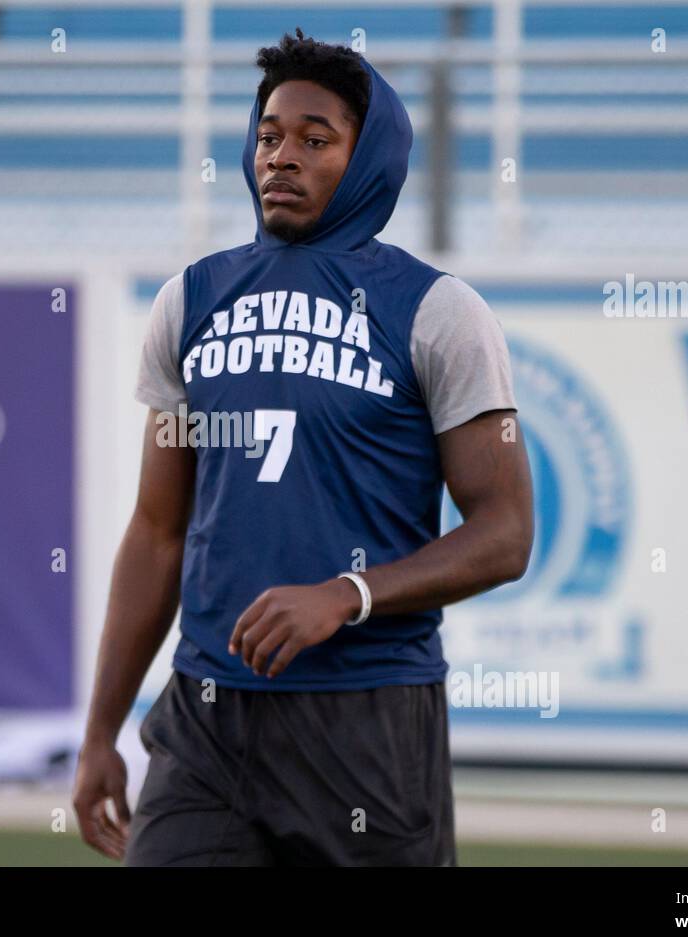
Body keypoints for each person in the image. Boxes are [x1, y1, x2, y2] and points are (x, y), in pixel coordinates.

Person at [73, 28, 534, 866]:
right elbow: (156, 531)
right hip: (205, 721)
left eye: (314, 140)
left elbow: (505, 535)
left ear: (366, 160)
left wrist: (347, 593)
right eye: (269, 135)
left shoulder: (436, 311)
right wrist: (100, 731)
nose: (281, 157)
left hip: (368, 724)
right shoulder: (191, 300)